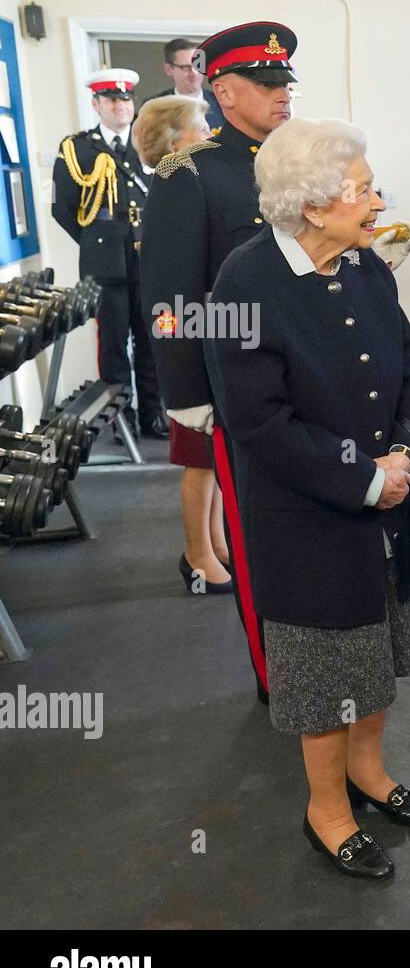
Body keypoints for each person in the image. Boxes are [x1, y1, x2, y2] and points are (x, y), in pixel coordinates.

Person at [141, 22, 410, 701]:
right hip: (245, 391)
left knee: (341, 527)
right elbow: (172, 293)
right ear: (224, 91)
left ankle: (352, 663)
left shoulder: (310, 161)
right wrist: (189, 393)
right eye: (265, 86)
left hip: (326, 383)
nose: (281, 96)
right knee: (266, 536)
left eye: (284, 83)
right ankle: (281, 676)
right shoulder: (192, 173)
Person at [204, 118, 410, 880]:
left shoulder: (366, 265)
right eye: (362, 189)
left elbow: (408, 368)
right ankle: (326, 811)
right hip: (308, 518)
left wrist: (404, 452)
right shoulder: (242, 281)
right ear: (311, 206)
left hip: (384, 503)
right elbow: (259, 422)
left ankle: (369, 776)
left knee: (372, 660)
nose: (376, 200)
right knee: (325, 679)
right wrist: (364, 479)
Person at [131, 95, 229, 593]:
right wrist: (181, 368)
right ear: (175, 143)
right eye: (201, 124)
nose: (210, 130)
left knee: (211, 460)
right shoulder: (175, 184)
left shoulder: (189, 181)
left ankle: (214, 542)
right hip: (190, 341)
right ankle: (197, 554)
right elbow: (169, 294)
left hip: (208, 330)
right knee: (197, 459)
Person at [52, 68, 167, 441]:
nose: (121, 106)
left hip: (149, 259)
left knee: (152, 341)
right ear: (96, 104)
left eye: (126, 99)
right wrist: (95, 240)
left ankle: (154, 415)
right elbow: (64, 208)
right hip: (106, 264)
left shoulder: (149, 143)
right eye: (112, 99)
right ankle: (124, 421)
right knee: (114, 344)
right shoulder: (78, 149)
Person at [140, 39, 224, 130]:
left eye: (198, 66)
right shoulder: (154, 107)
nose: (194, 73)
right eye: (186, 67)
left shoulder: (221, 102)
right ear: (168, 69)